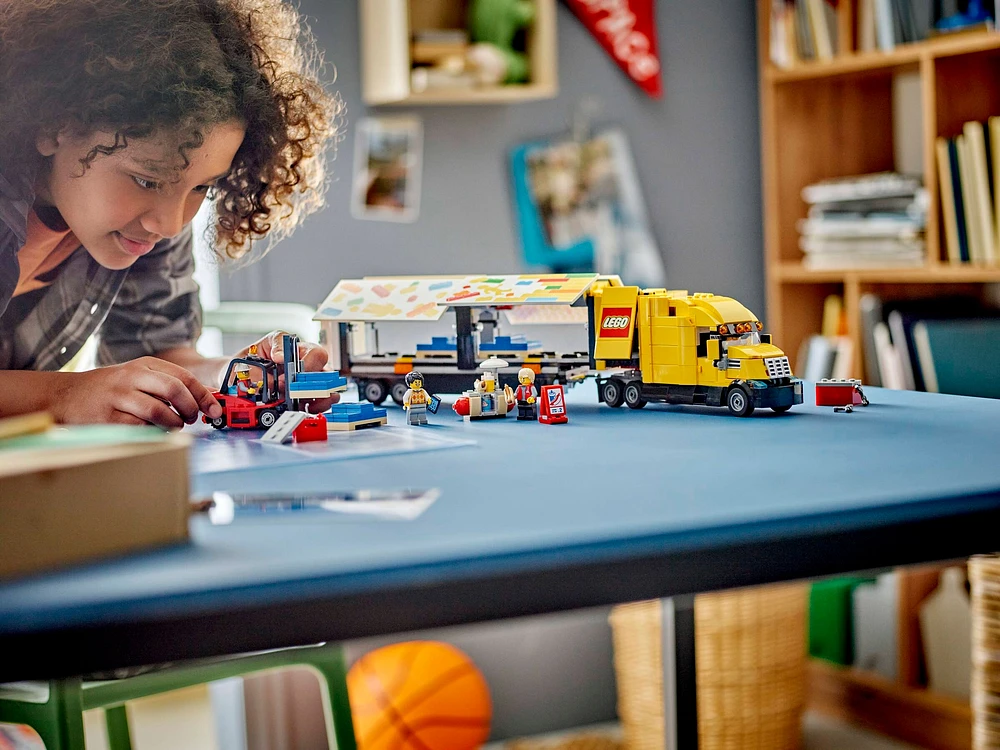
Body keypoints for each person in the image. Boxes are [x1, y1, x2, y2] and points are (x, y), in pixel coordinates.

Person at [0, 0, 344, 428]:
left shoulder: (145, 220)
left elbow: (161, 353)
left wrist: (240, 378)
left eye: (201, 187)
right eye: (146, 180)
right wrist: (65, 394)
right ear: (53, 126)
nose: (171, 224)